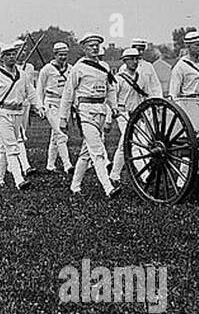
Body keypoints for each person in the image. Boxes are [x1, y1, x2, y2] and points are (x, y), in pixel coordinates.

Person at [59, 33, 120, 197]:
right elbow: (68, 92)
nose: (94, 48)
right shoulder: (78, 68)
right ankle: (108, 188)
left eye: (96, 45)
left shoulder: (105, 67)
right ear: (83, 48)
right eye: (91, 45)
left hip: (101, 109)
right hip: (85, 111)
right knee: (97, 151)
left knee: (86, 153)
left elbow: (111, 88)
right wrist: (63, 118)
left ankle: (75, 186)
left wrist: (113, 107)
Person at [0, 42, 36, 190]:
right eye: (7, 55)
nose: (11, 57)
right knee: (12, 146)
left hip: (18, 113)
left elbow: (31, 92)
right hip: (2, 114)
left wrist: (38, 106)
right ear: (2, 58)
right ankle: (19, 180)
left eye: (13, 54)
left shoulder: (22, 75)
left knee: (5, 148)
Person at [109, 47, 162, 185]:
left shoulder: (142, 77)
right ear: (125, 61)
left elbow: (147, 95)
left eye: (136, 58)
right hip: (124, 114)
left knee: (125, 145)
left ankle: (114, 174)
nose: (134, 61)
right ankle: (145, 175)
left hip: (138, 114)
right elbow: (111, 98)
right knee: (134, 144)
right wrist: (111, 115)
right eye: (131, 59)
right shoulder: (118, 79)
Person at [36, 42, 73, 173]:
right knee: (61, 133)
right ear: (55, 54)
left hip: (64, 104)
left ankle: (50, 165)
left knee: (55, 135)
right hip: (51, 102)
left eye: (65, 55)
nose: (63, 57)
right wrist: (39, 106)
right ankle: (67, 164)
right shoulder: (47, 69)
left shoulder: (71, 69)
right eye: (60, 55)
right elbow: (39, 88)